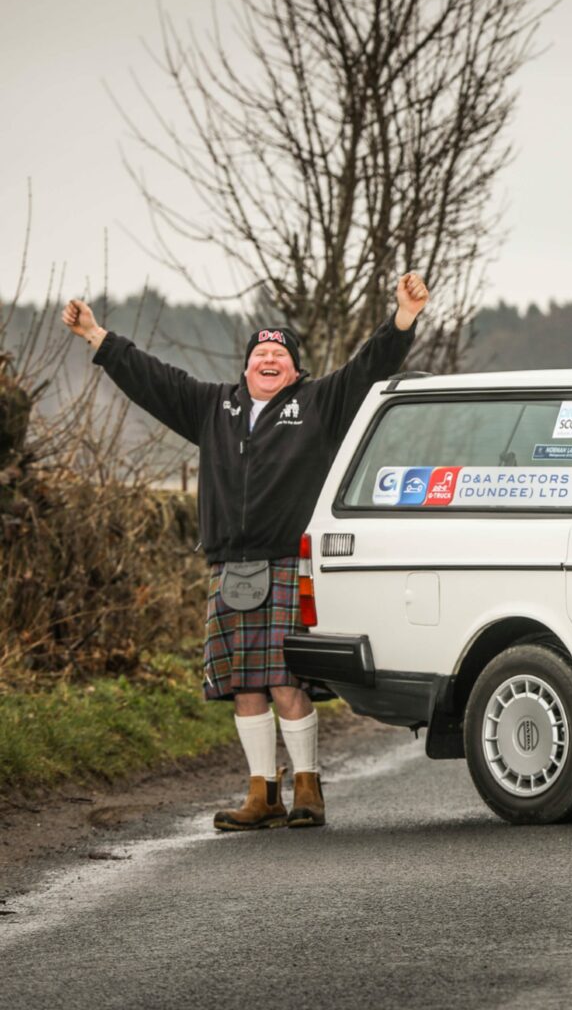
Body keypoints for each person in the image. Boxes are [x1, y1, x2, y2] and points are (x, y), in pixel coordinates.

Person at [62, 274, 430, 830]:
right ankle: (262, 794)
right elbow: (152, 379)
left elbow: (368, 367)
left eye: (279, 354)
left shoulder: (318, 404)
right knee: (244, 687)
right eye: (260, 352)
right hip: (228, 565)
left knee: (285, 681)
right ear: (246, 366)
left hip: (287, 561)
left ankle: (307, 788)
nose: (268, 359)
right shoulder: (213, 408)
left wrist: (402, 317)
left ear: (295, 369)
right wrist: (96, 336)